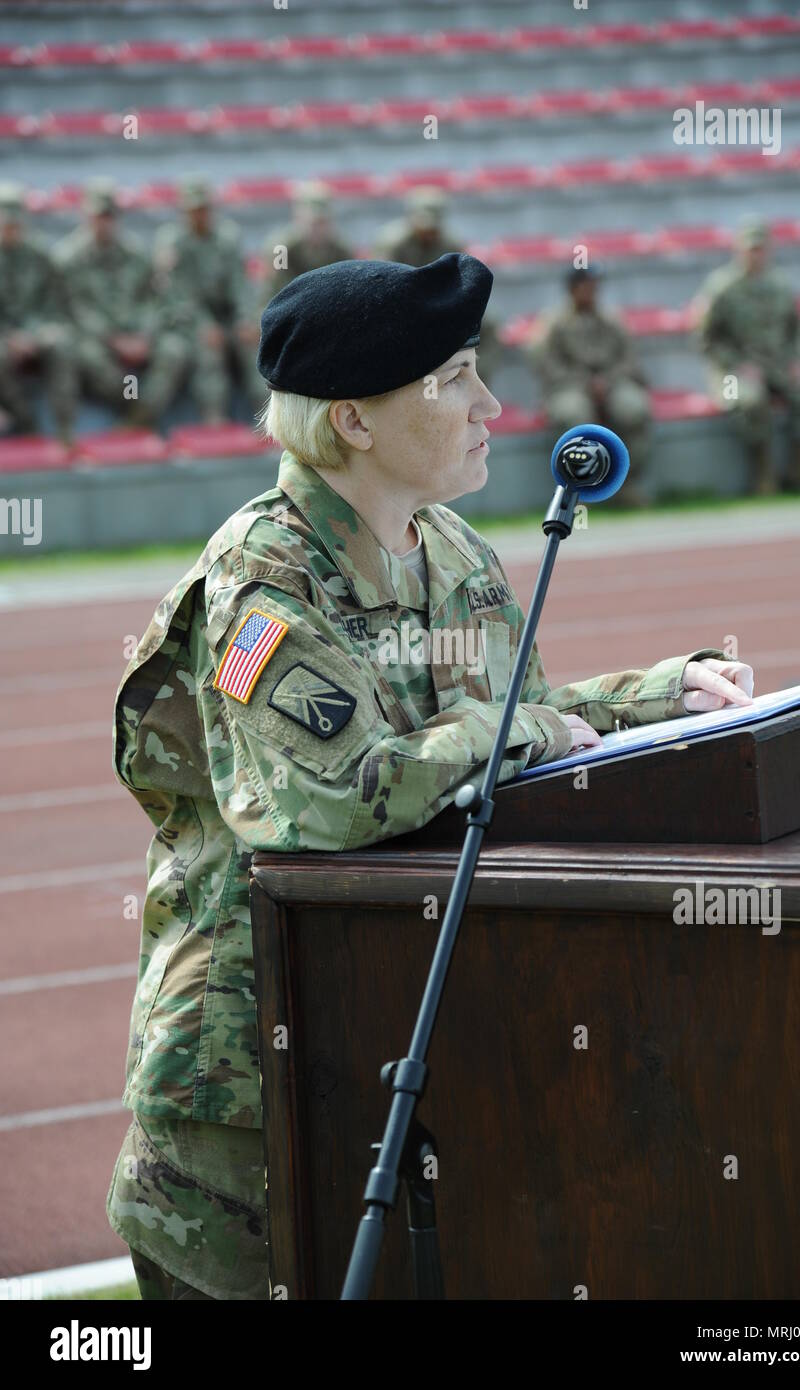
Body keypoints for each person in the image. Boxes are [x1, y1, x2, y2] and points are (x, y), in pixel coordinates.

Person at [106, 252, 755, 1299]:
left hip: (392, 1036)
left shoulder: (447, 547)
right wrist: (528, 728)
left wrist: (654, 696)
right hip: (250, 1089)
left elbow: (509, 715)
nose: (489, 404)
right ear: (353, 421)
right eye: (453, 380)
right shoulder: (262, 585)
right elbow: (334, 797)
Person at [694, 219, 800, 495]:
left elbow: (797, 330)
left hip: (778, 366)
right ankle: (763, 473)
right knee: (749, 400)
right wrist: (737, 364)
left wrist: (795, 360)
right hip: (731, 373)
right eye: (750, 249)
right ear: (739, 251)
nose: (755, 255)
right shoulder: (721, 287)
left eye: (760, 249)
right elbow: (705, 339)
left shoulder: (781, 285)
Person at [54, 178, 190, 430]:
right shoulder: (68, 259)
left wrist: (144, 336)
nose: (104, 222)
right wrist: (114, 340)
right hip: (96, 338)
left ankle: (138, 420)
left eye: (109, 216)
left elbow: (153, 300)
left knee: (174, 349)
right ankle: (134, 411)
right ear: (86, 216)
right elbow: (73, 309)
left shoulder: (135, 254)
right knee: (88, 355)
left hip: (137, 335)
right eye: (99, 216)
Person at [530, 265, 652, 507]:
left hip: (612, 383)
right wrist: (585, 382)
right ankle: (577, 489)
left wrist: (607, 380)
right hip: (569, 386)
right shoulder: (554, 324)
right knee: (575, 417)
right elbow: (546, 363)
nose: (591, 291)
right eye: (585, 286)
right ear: (572, 289)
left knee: (634, 410)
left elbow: (629, 358)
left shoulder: (612, 320)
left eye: (594, 286)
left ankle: (624, 483)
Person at [153, 175, 262, 424]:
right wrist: (202, 324)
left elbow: (240, 285)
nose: (199, 215)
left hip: (226, 316)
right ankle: (214, 418)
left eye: (203, 209)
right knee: (208, 352)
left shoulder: (227, 237)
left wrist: (245, 319)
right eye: (194, 210)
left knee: (252, 345)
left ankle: (268, 417)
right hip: (186, 321)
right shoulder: (173, 242)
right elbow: (175, 295)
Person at [374, 186, 503, 381]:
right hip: (400, 305)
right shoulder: (393, 243)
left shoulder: (450, 244)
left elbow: (462, 281)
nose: (427, 232)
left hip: (439, 301)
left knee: (488, 322)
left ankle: (473, 376)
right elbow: (381, 285)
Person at [0, 182, 77, 444]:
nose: (11, 230)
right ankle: (27, 426)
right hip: (5, 336)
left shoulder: (39, 255)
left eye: (15, 224)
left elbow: (54, 304)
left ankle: (65, 430)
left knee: (62, 343)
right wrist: (10, 336)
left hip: (36, 331)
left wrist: (32, 334)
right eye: (6, 224)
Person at [258, 180, 354, 305]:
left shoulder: (341, 250)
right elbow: (275, 292)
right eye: (312, 223)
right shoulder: (281, 249)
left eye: (322, 222)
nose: (317, 229)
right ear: (298, 219)